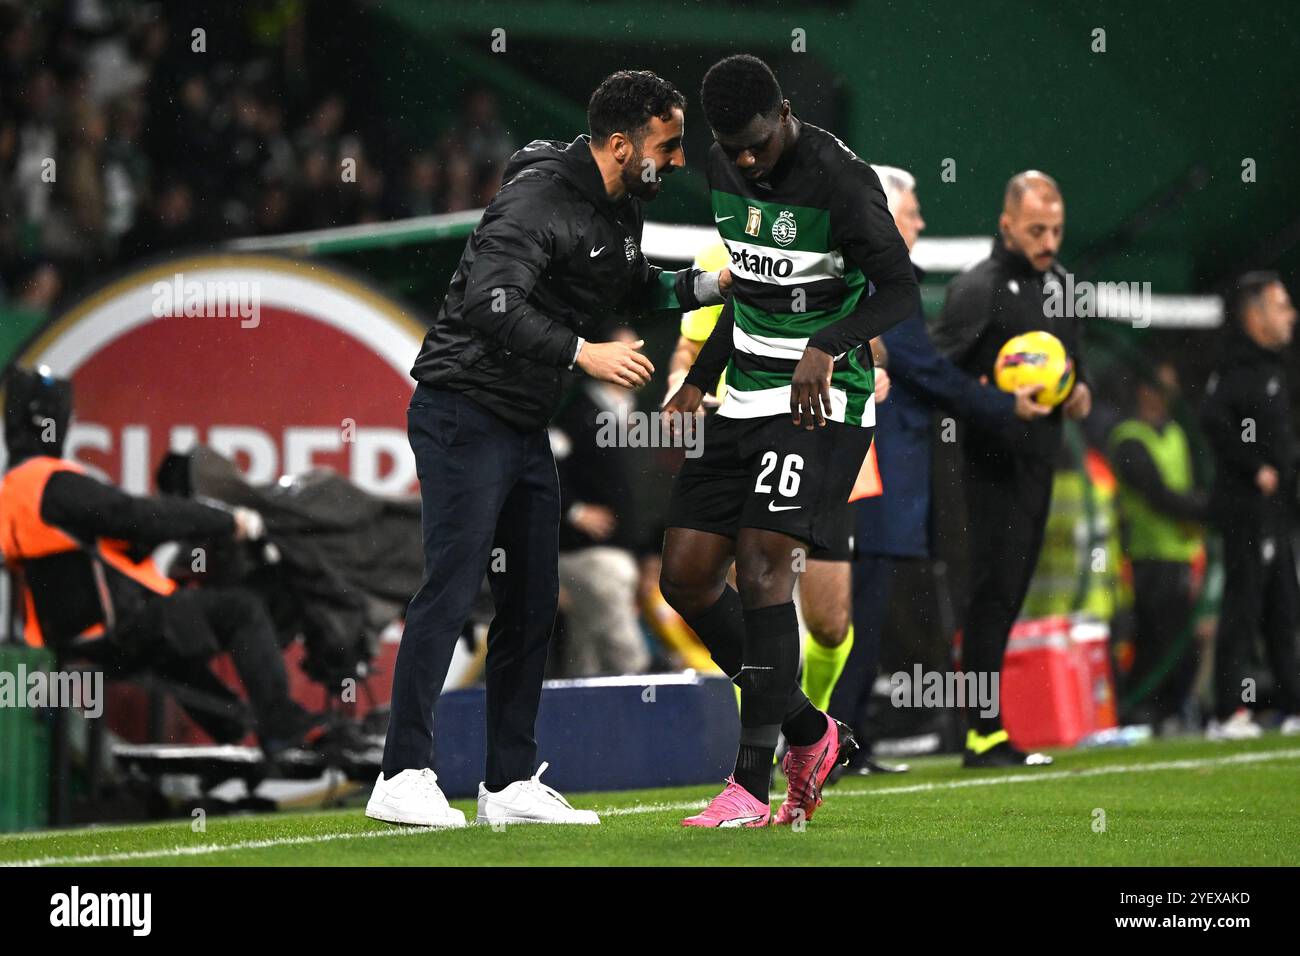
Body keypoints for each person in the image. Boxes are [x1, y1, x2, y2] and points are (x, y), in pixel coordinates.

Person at [368, 71, 731, 829]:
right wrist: (584, 354)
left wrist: (708, 285)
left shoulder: (619, 202)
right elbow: (487, 300)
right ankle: (401, 772)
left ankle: (507, 783)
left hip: (521, 423)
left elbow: (631, 291)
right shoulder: (538, 198)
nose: (677, 161)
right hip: (461, 412)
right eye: (667, 145)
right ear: (623, 145)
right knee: (453, 584)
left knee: (532, 601)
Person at [660, 54, 917, 827]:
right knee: (686, 578)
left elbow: (901, 288)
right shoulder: (722, 165)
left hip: (820, 405)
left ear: (784, 113)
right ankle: (810, 731)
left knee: (764, 562)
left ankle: (748, 784)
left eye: (758, 144)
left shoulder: (841, 179)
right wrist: (702, 377)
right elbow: (750, 285)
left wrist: (830, 343)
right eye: (731, 145)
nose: (745, 159)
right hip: (742, 395)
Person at [828, 166, 1050, 777]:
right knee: (859, 616)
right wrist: (1004, 404)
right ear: (884, 217)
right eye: (914, 212)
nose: (923, 223)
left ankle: (845, 743)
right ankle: (836, 746)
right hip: (871, 475)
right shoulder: (876, 284)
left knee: (861, 617)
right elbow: (927, 372)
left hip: (880, 477)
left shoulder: (866, 281)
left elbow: (920, 373)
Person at [0, 366, 325, 756]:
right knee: (240, 609)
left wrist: (156, 539)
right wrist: (227, 521)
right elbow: (138, 516)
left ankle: (231, 728)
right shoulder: (52, 483)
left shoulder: (12, 488)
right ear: (49, 420)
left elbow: (103, 543)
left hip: (67, 636)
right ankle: (280, 724)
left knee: (175, 630)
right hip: (116, 633)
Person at [665, 242, 891, 722]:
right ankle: (765, 747)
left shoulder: (842, 248)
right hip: (741, 436)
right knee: (751, 596)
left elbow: (873, 340)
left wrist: (876, 369)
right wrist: (684, 382)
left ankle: (813, 729)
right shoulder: (719, 258)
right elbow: (690, 345)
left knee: (829, 623)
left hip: (824, 437)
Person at [930, 170, 1091, 768]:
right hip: (982, 463)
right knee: (988, 595)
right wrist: (994, 402)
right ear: (1006, 225)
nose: (1049, 241)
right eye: (1036, 230)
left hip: (1038, 462)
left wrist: (1079, 393)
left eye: (1056, 230)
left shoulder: (1065, 286)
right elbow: (937, 375)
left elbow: (1072, 367)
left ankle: (986, 730)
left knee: (1010, 593)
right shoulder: (979, 288)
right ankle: (982, 733)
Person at [1200, 272, 1300, 739]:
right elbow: (1213, 421)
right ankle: (1227, 711)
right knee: (1243, 606)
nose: (1291, 315)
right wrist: (1255, 465)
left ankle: (1291, 704)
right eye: (1281, 306)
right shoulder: (1236, 369)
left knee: (1283, 606)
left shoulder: (1273, 368)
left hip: (1275, 512)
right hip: (1246, 511)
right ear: (1255, 315)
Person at [1108, 362, 1207, 731]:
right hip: (1147, 556)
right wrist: (1206, 509)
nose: (1171, 396)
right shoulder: (1129, 437)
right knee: (1154, 640)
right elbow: (1157, 494)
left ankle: (1172, 710)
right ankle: (1144, 709)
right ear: (1145, 391)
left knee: (1184, 641)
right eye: (1163, 387)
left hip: (1183, 553)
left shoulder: (1177, 434)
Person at [552, 326, 651, 678]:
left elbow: (637, 494)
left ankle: (586, 728)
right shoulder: (576, 412)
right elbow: (542, 468)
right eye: (623, 350)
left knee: (586, 654)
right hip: (589, 553)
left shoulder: (639, 416)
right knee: (626, 653)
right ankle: (652, 713)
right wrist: (573, 511)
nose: (632, 358)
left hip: (626, 553)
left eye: (637, 350)